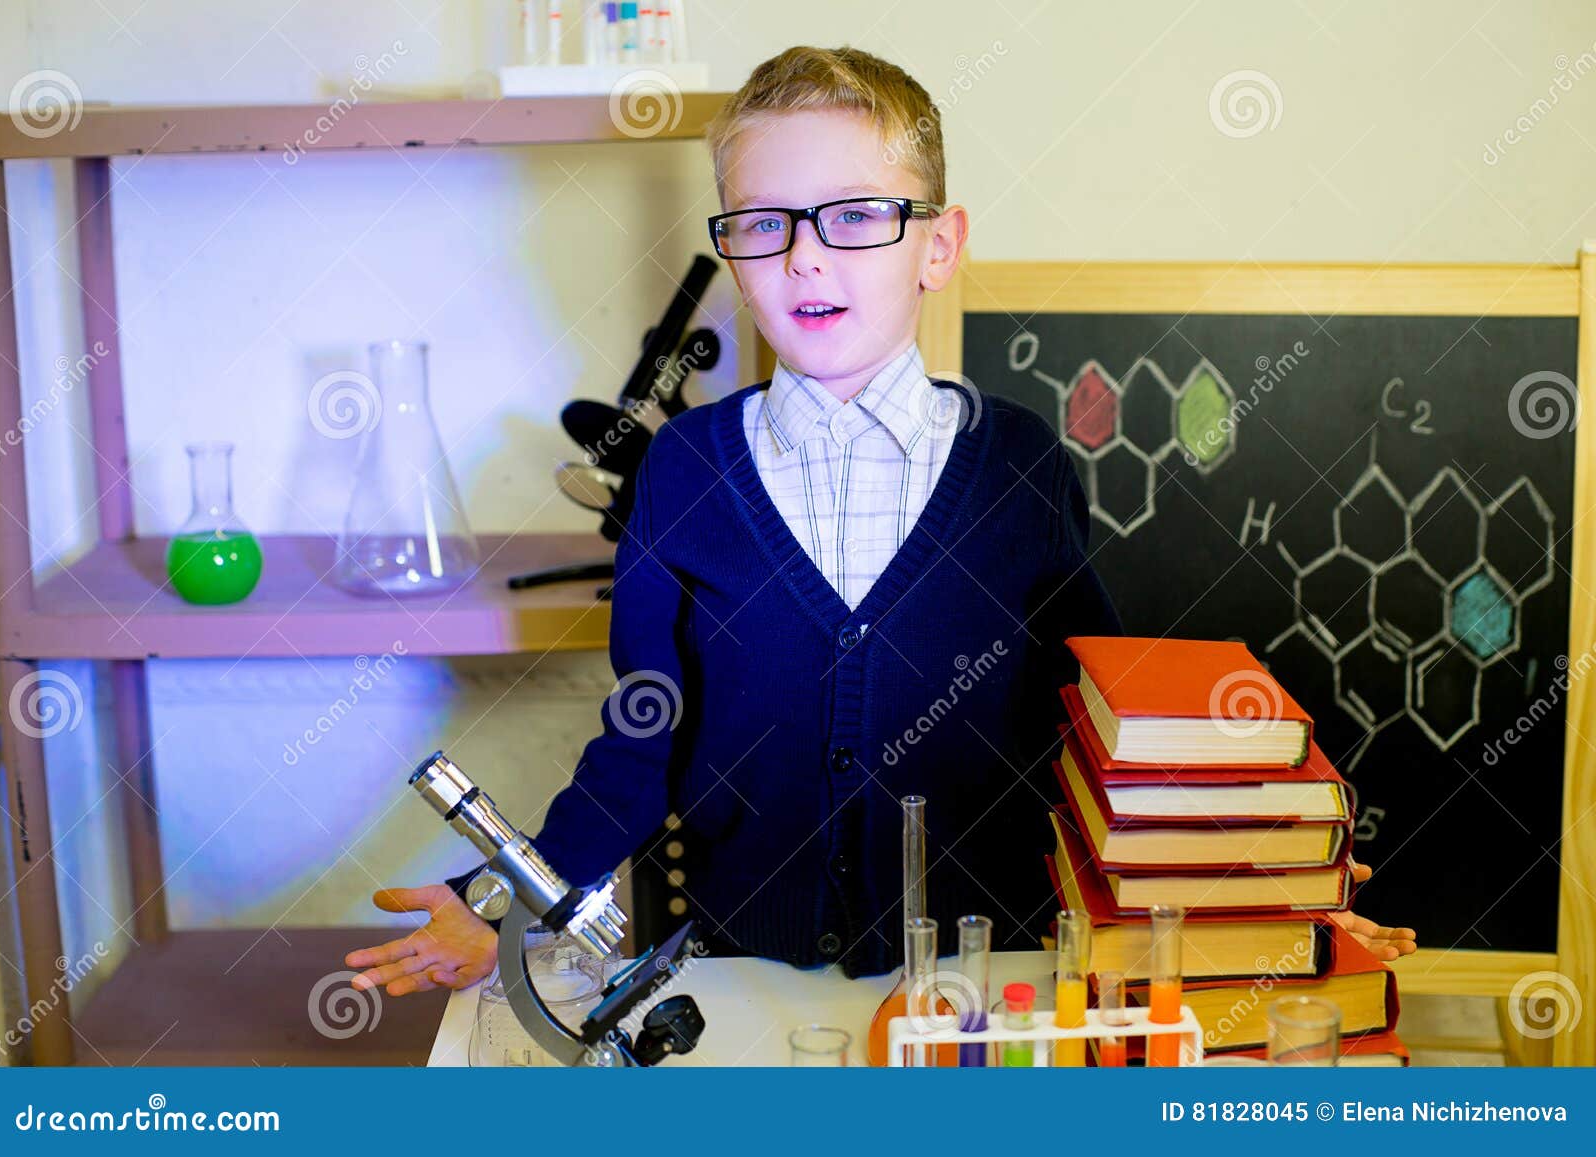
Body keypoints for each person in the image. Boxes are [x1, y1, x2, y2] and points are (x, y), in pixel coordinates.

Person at [345, 45, 1415, 999]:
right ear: (735, 251)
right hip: (738, 970)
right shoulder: (685, 471)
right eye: (764, 223)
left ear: (935, 247)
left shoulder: (1019, 465)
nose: (806, 257)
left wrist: (1252, 884)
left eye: (854, 216)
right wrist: (501, 894)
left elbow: (1094, 727)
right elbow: (640, 739)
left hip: (992, 975)